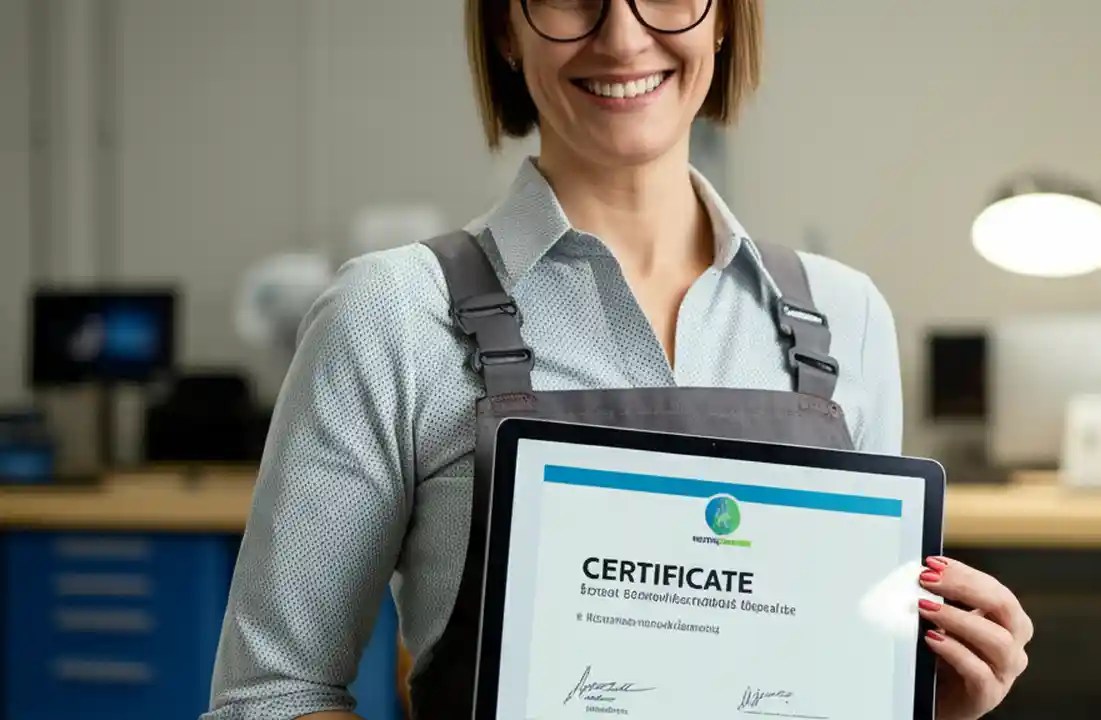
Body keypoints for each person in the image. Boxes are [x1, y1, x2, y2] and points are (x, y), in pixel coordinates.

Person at [203, 1, 1033, 718]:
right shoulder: (390, 315)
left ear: (724, 22)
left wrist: (912, 700)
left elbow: (834, 674)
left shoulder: (845, 318)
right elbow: (270, 697)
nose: (624, 37)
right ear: (504, 26)